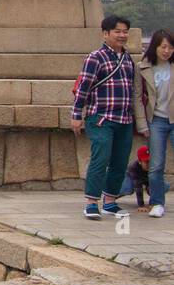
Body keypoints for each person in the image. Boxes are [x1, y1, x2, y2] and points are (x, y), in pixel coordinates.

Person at [71, 15, 135, 220]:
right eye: (117, 31)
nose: (122, 35)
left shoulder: (127, 58)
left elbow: (133, 90)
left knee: (120, 161)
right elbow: (83, 88)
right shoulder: (95, 57)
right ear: (106, 33)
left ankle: (110, 201)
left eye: (125, 31)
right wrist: (76, 115)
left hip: (124, 119)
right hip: (101, 118)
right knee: (101, 158)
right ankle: (91, 202)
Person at [134, 28, 174, 218]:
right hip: (156, 120)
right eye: (163, 46)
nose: (167, 51)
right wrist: (142, 124)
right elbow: (137, 98)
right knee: (156, 165)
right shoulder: (143, 67)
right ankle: (157, 203)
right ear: (155, 47)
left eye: (171, 47)